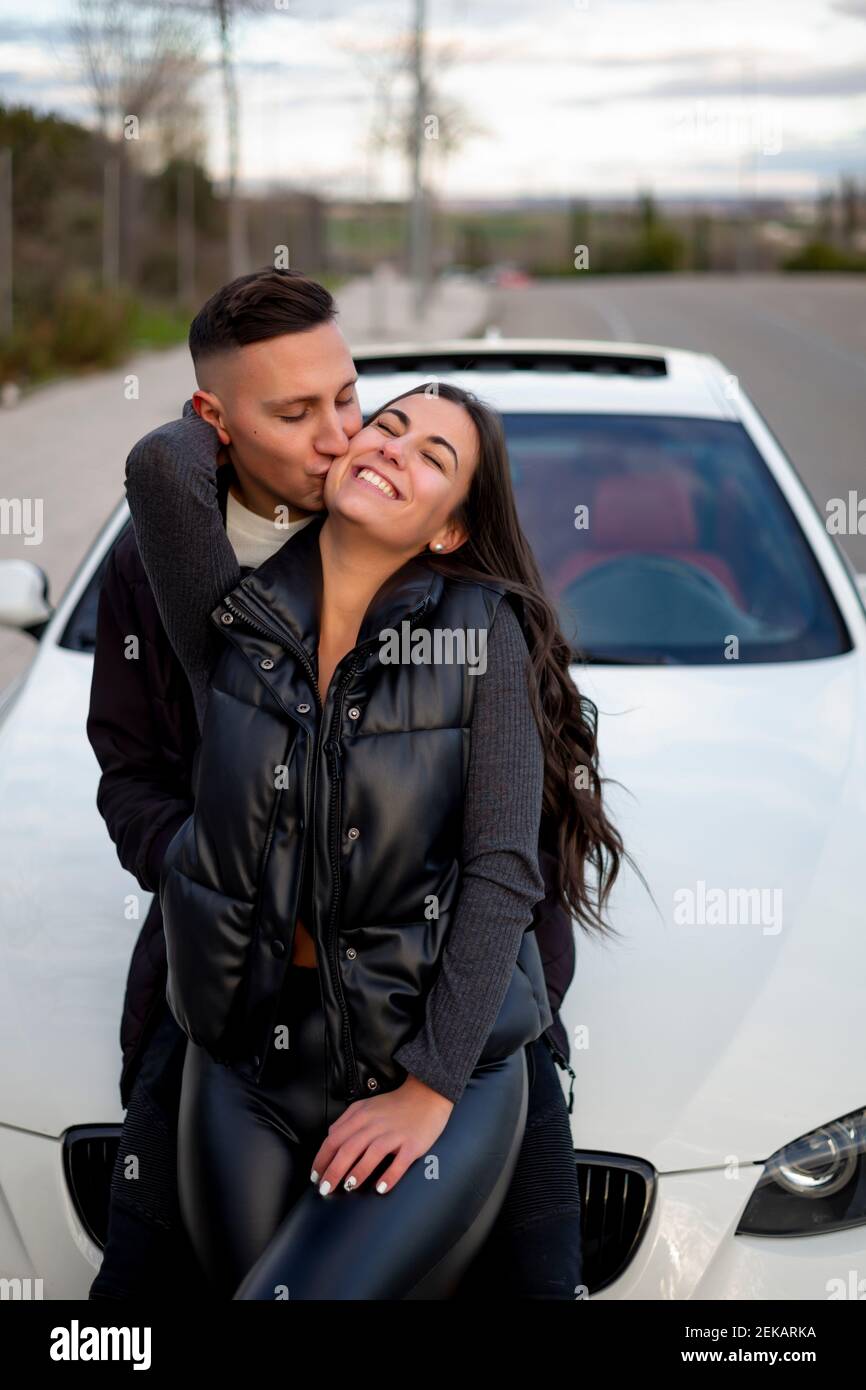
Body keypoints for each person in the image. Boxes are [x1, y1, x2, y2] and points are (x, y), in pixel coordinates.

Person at [119, 271, 630, 1299]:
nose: (384, 442)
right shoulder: (231, 621)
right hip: (250, 1056)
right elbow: (160, 469)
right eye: (380, 423)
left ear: (448, 526)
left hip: (429, 1058)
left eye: (429, 452)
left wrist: (428, 1087)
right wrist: (265, 423)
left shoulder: (480, 634)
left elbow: (497, 871)